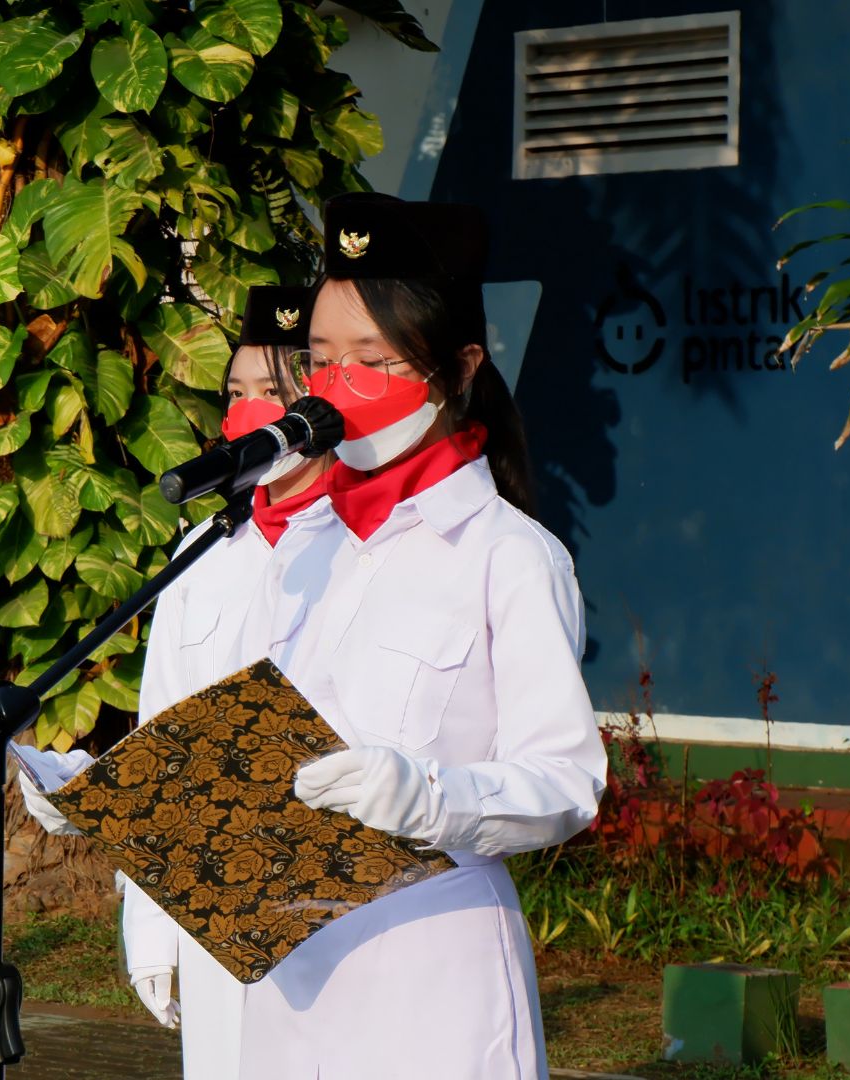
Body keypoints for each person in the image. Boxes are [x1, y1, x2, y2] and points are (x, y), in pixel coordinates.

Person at [248, 194, 607, 1077]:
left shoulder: (507, 555)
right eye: (320, 359)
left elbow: (568, 782)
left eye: (373, 359)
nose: (338, 385)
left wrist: (429, 796)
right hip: (288, 966)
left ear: (459, 367)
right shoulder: (305, 544)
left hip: (432, 968)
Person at [17, 284, 333, 1075]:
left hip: (328, 899)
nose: (246, 412)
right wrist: (153, 928)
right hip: (212, 892)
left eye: (270, 392)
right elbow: (164, 737)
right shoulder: (204, 551)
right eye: (235, 392)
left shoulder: (366, 547)